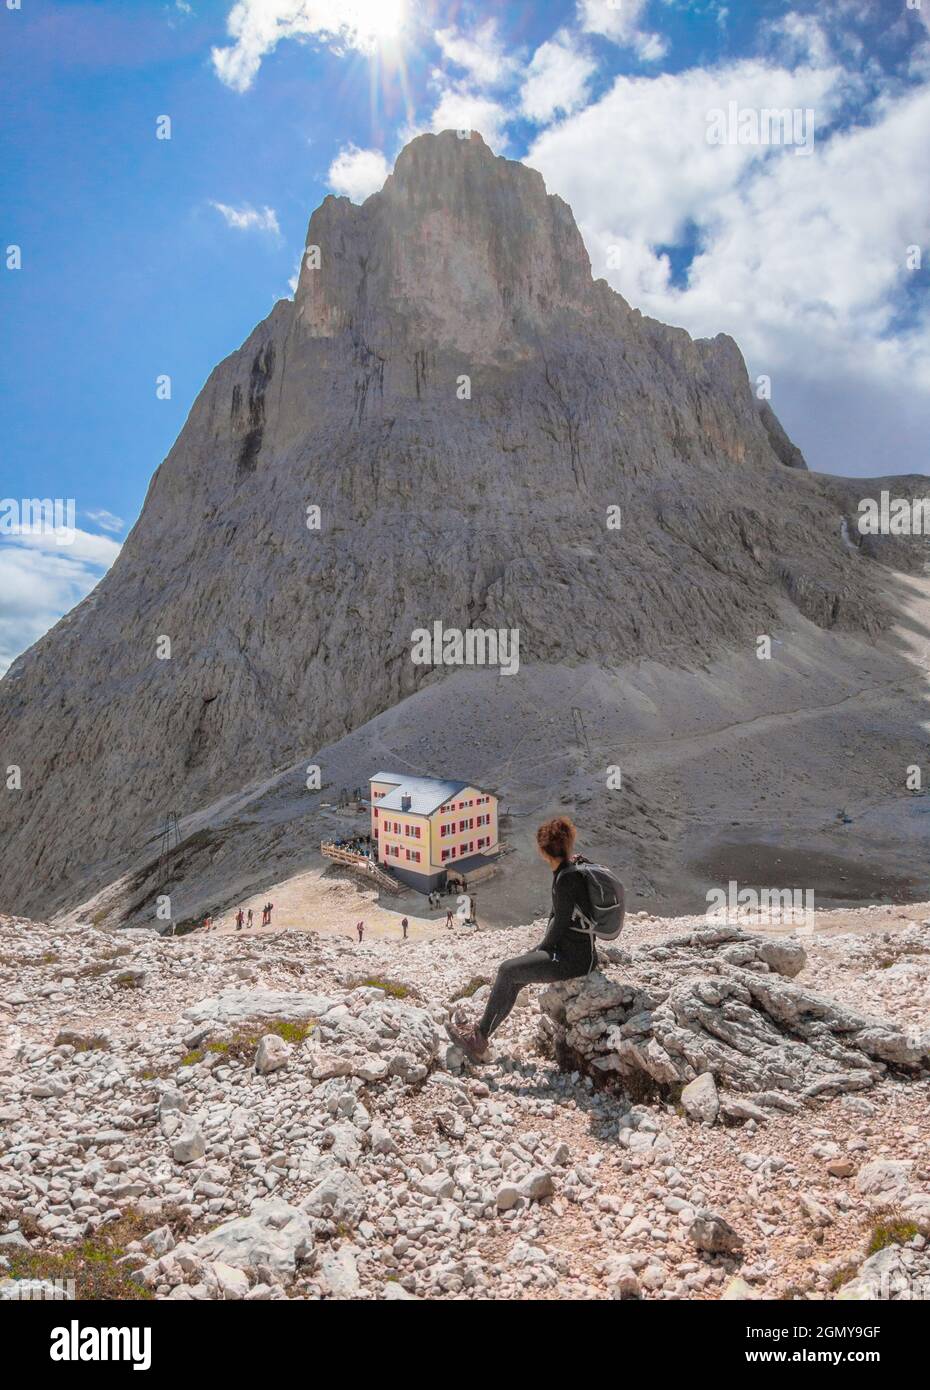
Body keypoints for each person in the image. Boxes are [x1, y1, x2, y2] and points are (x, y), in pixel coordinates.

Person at [446, 817, 596, 1063]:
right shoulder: (572, 869)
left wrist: (539, 951)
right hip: (580, 953)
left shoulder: (565, 878)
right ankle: (481, 1033)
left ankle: (478, 1038)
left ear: (543, 850)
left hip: (572, 960)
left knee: (507, 970)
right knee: (516, 975)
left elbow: (558, 924)